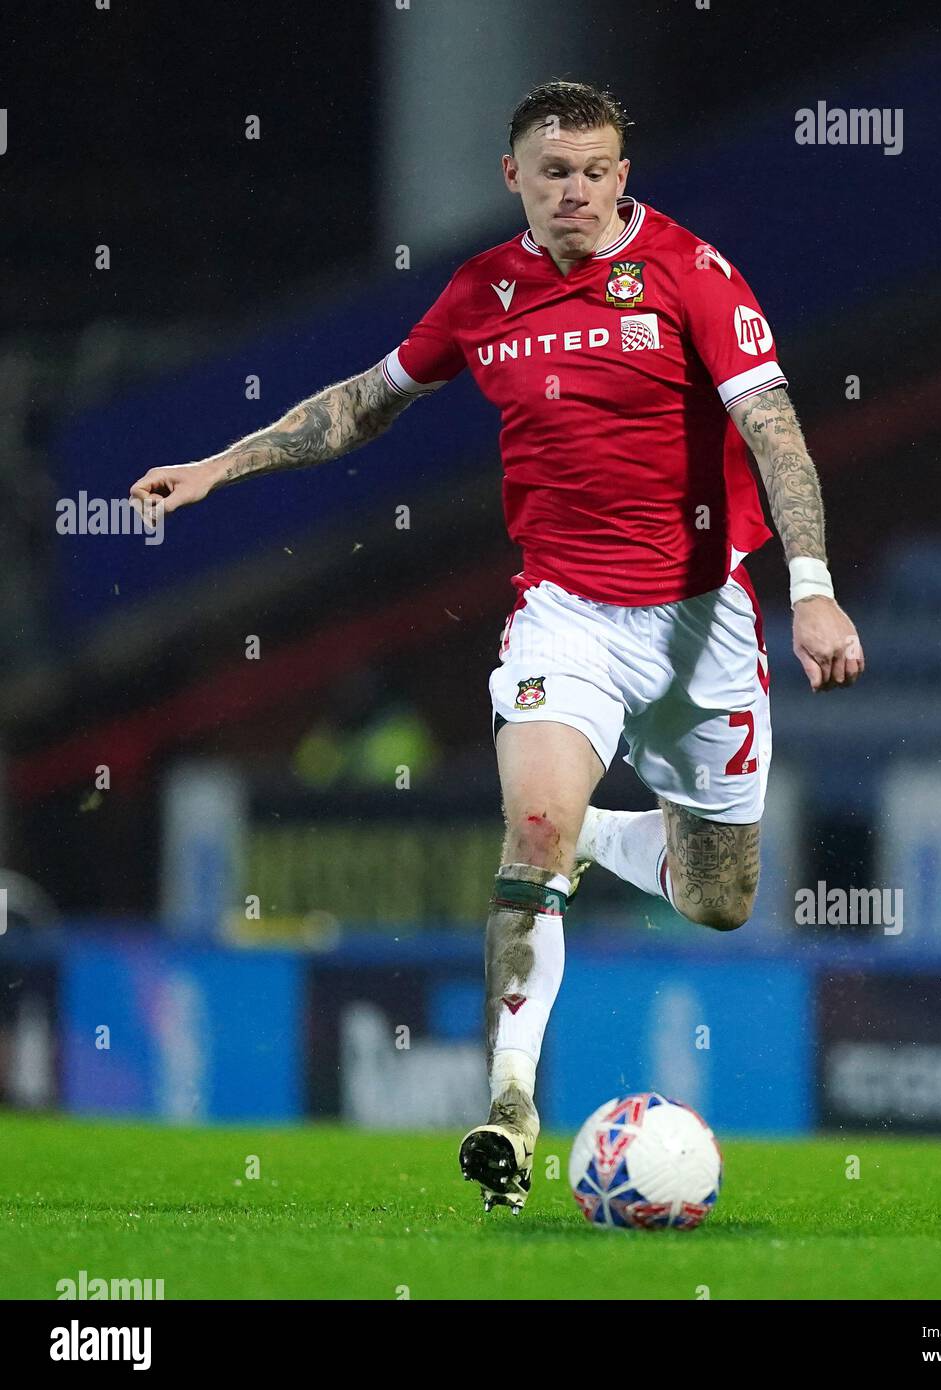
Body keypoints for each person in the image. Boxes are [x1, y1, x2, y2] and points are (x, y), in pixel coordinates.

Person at [130, 79, 864, 1216]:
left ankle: (589, 836)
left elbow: (776, 432)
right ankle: (511, 1106)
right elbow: (366, 402)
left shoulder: (691, 275)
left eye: (596, 170)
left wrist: (811, 591)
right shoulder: (484, 291)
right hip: (563, 614)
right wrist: (221, 466)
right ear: (512, 176)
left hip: (701, 617)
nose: (576, 189)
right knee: (532, 828)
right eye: (552, 170)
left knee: (720, 898)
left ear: (624, 175)